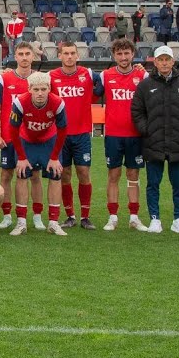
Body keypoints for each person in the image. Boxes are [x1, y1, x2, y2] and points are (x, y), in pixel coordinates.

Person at [130, 45, 179, 234]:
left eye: (168, 59)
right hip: (153, 143)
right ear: (156, 62)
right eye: (161, 59)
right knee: (153, 184)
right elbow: (137, 112)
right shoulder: (145, 85)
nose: (165, 62)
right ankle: (155, 219)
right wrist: (147, 130)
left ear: (173, 61)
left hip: (178, 143)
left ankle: (178, 219)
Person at [48, 41, 103, 230]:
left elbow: (104, 81)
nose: (69, 56)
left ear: (77, 55)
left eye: (72, 53)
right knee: (65, 175)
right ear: (60, 56)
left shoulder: (88, 74)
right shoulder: (51, 77)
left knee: (84, 173)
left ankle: (85, 217)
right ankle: (70, 215)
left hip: (81, 134)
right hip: (60, 135)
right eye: (66, 53)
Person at [6, 72, 68, 236]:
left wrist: (54, 157)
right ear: (29, 89)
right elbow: (13, 130)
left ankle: (53, 222)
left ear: (49, 88)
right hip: (27, 141)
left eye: (43, 89)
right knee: (21, 175)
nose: (40, 93)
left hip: (49, 141)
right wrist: (21, 157)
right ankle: (21, 222)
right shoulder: (20, 102)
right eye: (36, 89)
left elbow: (62, 131)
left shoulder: (58, 103)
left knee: (56, 176)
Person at [100, 38, 147, 231]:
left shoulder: (142, 76)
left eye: (127, 53)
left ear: (133, 54)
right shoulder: (105, 76)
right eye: (119, 54)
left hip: (135, 134)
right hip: (113, 134)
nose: (123, 57)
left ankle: (134, 217)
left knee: (133, 174)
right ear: (114, 55)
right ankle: (112, 217)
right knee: (113, 174)